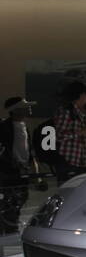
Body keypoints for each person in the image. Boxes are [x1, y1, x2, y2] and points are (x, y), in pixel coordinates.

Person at [0, 96, 36, 233]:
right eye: (25, 107)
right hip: (10, 171)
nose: (29, 109)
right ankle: (9, 228)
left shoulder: (25, 126)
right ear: (15, 110)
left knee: (21, 197)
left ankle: (11, 225)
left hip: (22, 171)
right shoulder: (4, 127)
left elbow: (28, 149)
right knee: (9, 200)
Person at [52, 80, 86, 181]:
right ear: (82, 94)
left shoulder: (80, 113)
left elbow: (79, 135)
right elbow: (59, 135)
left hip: (81, 161)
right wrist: (84, 131)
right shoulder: (66, 111)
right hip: (68, 161)